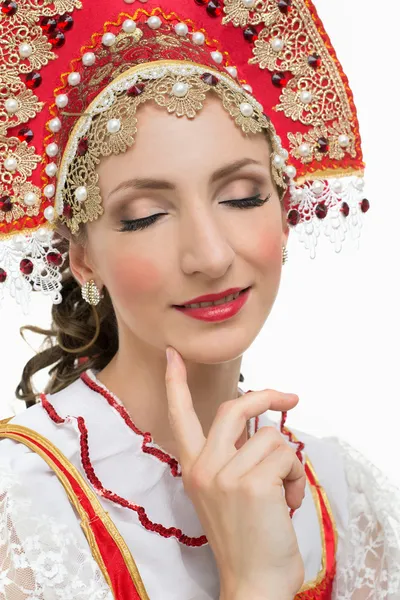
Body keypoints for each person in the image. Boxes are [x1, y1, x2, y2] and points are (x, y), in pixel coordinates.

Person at [0, 1, 399, 599]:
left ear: (285, 215)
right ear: (82, 257)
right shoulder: (24, 509)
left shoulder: (344, 494)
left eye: (242, 197)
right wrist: (255, 581)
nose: (210, 256)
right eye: (146, 215)